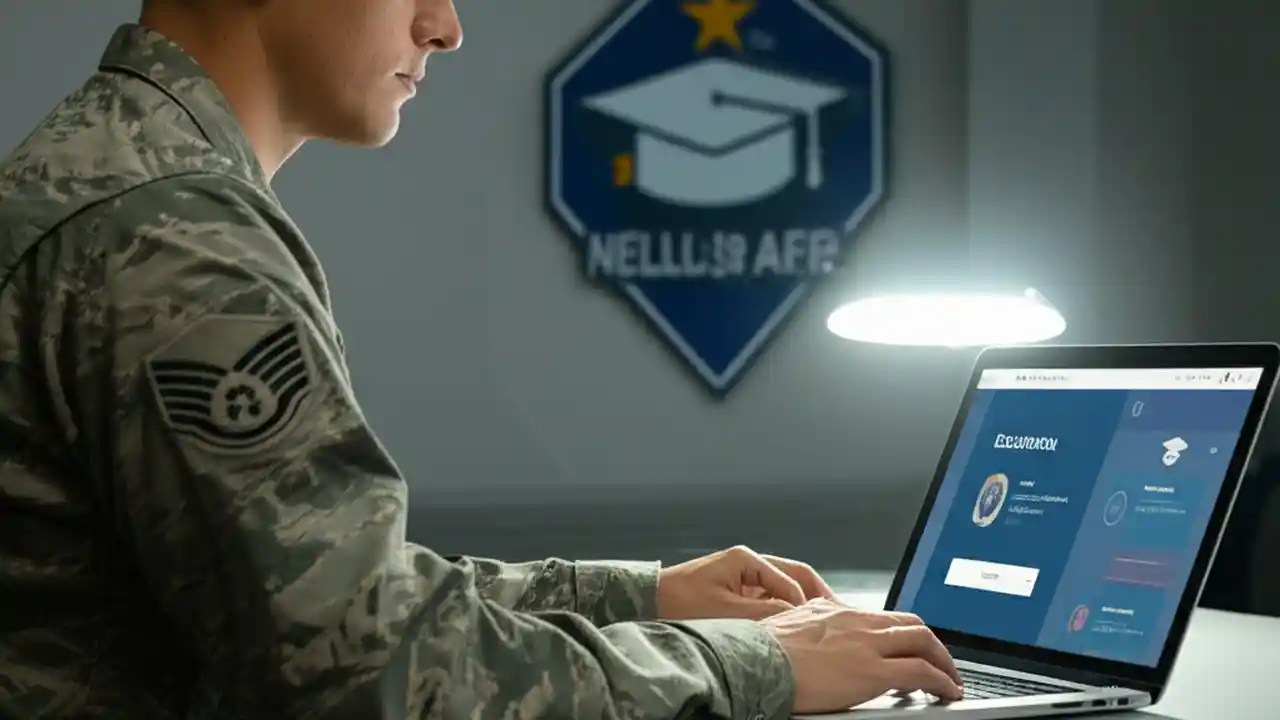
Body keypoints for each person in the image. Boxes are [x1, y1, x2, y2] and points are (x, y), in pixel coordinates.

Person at [0, 0, 964, 717]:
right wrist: (757, 665)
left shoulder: (122, 178)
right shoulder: (174, 236)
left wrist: (646, 594)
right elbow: (366, 672)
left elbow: (316, 591)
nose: (444, 25)